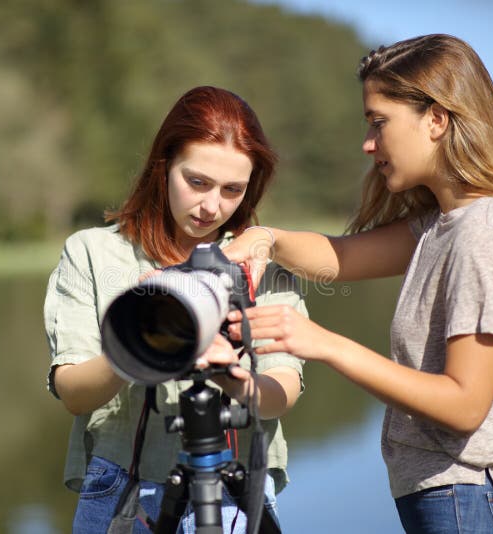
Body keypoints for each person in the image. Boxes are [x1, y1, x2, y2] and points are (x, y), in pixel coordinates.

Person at [224, 34, 493, 533]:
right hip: (460, 502)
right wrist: (263, 239)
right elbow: (338, 257)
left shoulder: (481, 235)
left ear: (437, 119)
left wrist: (324, 344)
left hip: (478, 500)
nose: (368, 144)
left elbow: (464, 405)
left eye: (379, 124)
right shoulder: (443, 225)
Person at [43, 86, 307, 533]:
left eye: (232, 190)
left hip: (232, 479)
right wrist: (142, 342)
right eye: (197, 182)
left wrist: (229, 374)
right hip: (121, 481)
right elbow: (73, 392)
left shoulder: (263, 263)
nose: (211, 206)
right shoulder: (92, 252)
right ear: (163, 167)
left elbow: (282, 393)